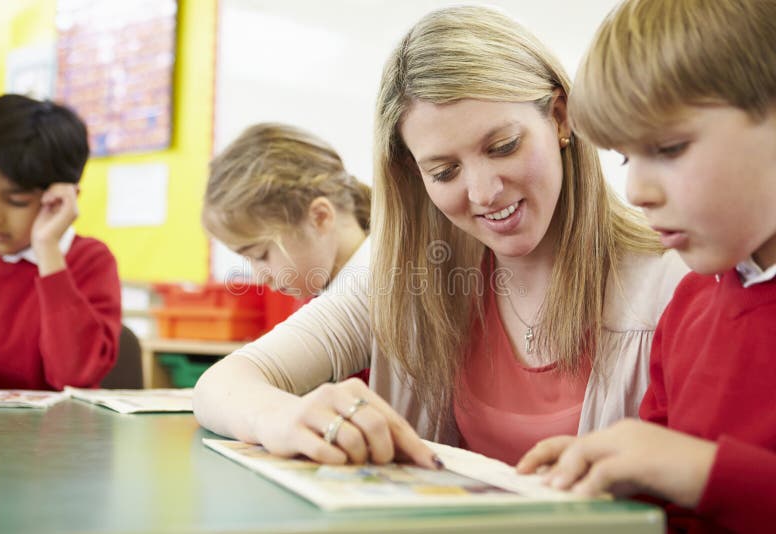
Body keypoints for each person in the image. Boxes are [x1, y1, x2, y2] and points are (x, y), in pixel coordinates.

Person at [193, 5, 686, 468]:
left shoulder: (672, 276)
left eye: (503, 146)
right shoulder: (402, 274)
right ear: (415, 174)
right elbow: (223, 384)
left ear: (560, 118)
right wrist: (283, 417)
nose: (484, 192)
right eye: (445, 171)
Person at [516, 0, 776, 532]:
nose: (636, 192)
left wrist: (699, 470)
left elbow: (688, 471)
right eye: (627, 158)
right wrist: (617, 472)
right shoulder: (689, 305)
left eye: (670, 148)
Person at [200, 122, 372, 378]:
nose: (259, 277)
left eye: (261, 255)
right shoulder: (315, 287)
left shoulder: (371, 282)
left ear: (320, 217)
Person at [0, 93, 121, 390]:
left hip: (55, 435)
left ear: (60, 197)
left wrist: (47, 250)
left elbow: (74, 375)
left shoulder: (88, 260)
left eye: (16, 201)